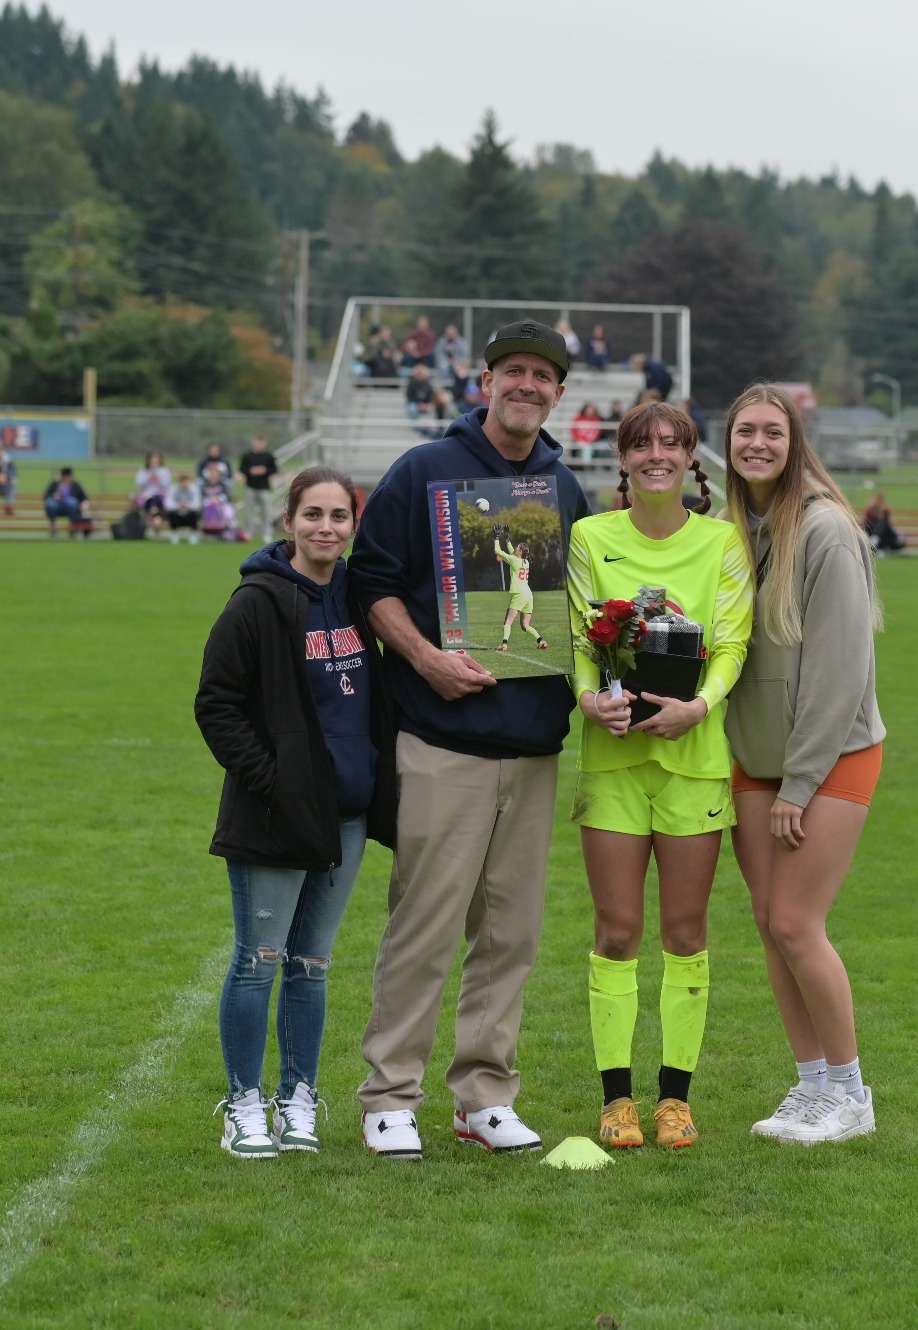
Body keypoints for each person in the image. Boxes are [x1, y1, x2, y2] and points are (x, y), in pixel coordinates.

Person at [348, 319, 590, 1159]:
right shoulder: (423, 470)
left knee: (510, 933)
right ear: (484, 380)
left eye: (543, 376)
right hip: (442, 739)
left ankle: (483, 1095)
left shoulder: (564, 488)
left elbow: (579, 612)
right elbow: (370, 583)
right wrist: (425, 657)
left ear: (559, 393)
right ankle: (389, 1095)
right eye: (513, 371)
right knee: (424, 923)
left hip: (532, 748)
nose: (527, 385)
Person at [196, 466, 399, 1158]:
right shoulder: (256, 603)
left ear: (352, 525)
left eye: (339, 516)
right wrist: (272, 782)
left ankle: (298, 1098)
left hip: (344, 817)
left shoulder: (357, 597)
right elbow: (216, 705)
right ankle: (244, 1103)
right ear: (289, 522)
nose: (326, 528)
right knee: (259, 960)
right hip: (277, 818)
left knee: (311, 963)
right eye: (312, 514)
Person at [565, 399, 751, 1152]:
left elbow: (732, 644)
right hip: (612, 761)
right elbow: (581, 641)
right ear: (622, 458)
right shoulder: (589, 537)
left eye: (671, 445)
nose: (656, 457)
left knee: (683, 930)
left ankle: (675, 1100)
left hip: (693, 763)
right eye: (642, 445)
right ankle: (618, 1102)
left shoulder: (723, 542)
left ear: (690, 459)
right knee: (617, 930)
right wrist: (587, 698)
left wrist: (699, 708)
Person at [724, 381, 885, 1145]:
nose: (757, 443)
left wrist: (800, 781)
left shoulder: (825, 530)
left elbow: (839, 669)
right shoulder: (736, 528)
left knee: (796, 921)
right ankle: (812, 1084)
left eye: (772, 432)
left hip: (829, 758)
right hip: (754, 758)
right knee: (767, 922)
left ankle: (852, 1096)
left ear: (795, 446)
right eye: (744, 431)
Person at [493, 534, 550, 652]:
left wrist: (497, 537)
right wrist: (507, 539)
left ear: (519, 552)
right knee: (525, 625)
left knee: (508, 621)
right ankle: (541, 641)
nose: (515, 548)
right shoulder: (525, 561)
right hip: (528, 594)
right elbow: (512, 552)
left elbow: (497, 550)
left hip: (519, 594)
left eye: (517, 547)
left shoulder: (514, 560)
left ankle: (504, 644)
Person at [240, 436, 279, 543]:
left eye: (261, 442)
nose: (259, 445)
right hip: (250, 487)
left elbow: (274, 469)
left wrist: (265, 470)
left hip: (264, 487)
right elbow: (242, 469)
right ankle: (248, 532)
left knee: (266, 512)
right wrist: (250, 471)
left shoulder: (269, 456)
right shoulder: (247, 456)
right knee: (249, 511)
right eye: (257, 442)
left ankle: (266, 533)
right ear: (253, 442)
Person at [43, 467, 92, 538]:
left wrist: (84, 504)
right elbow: (46, 496)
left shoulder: (75, 484)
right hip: (57, 507)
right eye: (64, 477)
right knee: (50, 503)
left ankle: (72, 528)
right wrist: (54, 496)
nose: (66, 479)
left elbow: (84, 498)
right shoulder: (55, 483)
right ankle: (53, 526)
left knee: (72, 502)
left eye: (67, 477)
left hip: (70, 508)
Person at [134, 452, 173, 536]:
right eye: (152, 460)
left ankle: (156, 522)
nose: (154, 461)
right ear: (148, 460)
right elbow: (139, 485)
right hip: (146, 496)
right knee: (150, 502)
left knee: (157, 503)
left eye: (156, 460)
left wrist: (159, 479)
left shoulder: (164, 471)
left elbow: (167, 485)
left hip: (160, 496)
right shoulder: (143, 471)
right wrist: (148, 478)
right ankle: (155, 522)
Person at [165, 474, 202, 544]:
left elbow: (197, 504)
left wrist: (187, 506)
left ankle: (193, 535)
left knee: (194, 513)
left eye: (186, 481)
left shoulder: (194, 488)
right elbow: (168, 504)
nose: (184, 484)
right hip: (177, 514)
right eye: (182, 482)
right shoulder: (173, 489)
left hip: (189, 515)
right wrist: (178, 506)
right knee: (171, 513)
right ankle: (174, 534)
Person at [404, 363, 439, 433]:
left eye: (421, 373)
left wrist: (427, 404)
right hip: (415, 404)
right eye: (418, 373)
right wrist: (419, 404)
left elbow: (431, 396)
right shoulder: (411, 384)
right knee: (412, 408)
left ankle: (433, 427)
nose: (420, 375)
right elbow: (409, 397)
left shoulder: (428, 384)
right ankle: (417, 426)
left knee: (433, 408)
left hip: (426, 404)